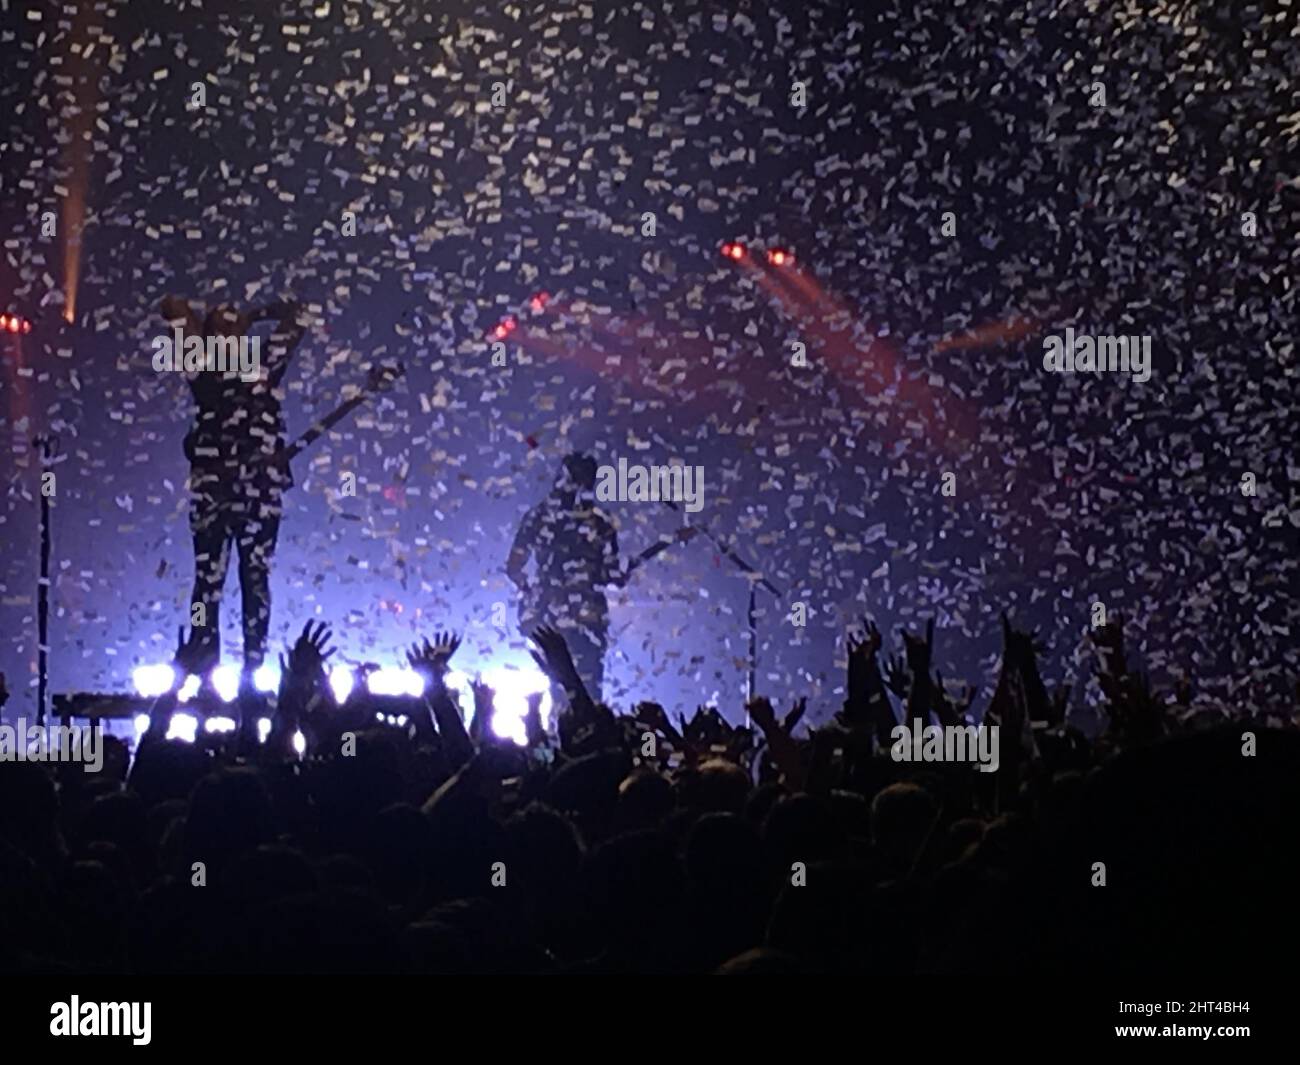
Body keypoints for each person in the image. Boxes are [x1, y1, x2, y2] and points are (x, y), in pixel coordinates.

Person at [158, 295, 306, 687]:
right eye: (221, 330)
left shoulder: (261, 371)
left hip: (258, 491)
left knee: (254, 577)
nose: (230, 337)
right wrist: (241, 318)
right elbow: (172, 305)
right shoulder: (202, 370)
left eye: (235, 331)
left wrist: (251, 317)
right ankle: (203, 651)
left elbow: (299, 315)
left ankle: (252, 662)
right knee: (209, 578)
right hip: (215, 490)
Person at [507, 453, 621, 703]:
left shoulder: (537, 517)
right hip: (587, 619)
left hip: (549, 617)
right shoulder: (600, 525)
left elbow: (514, 568)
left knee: (558, 686)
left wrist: (532, 593)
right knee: (589, 689)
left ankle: (562, 735)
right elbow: (614, 577)